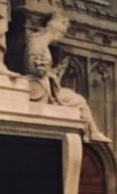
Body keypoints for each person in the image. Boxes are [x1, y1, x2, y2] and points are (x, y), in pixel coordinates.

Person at [24, 12, 110, 142]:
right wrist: (48, 70)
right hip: (43, 89)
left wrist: (56, 71)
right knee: (79, 101)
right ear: (57, 30)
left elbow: (42, 69)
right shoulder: (37, 43)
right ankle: (92, 133)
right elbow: (34, 68)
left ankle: (92, 132)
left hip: (48, 87)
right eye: (62, 34)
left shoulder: (39, 42)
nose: (60, 38)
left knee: (77, 99)